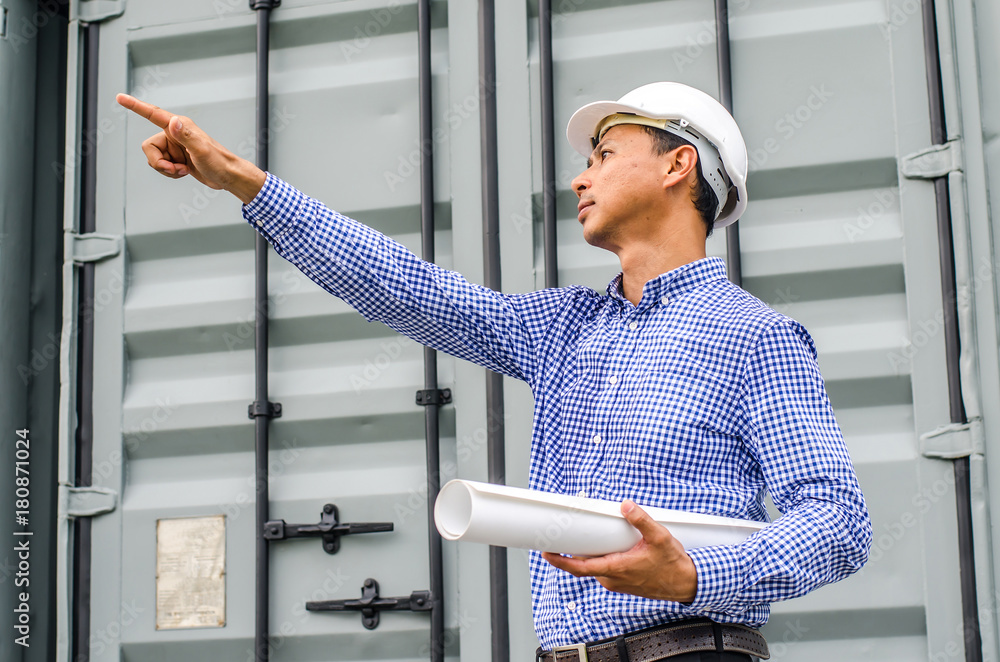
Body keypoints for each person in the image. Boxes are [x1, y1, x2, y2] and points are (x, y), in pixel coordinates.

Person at [117, 82, 871, 661]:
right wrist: (246, 184)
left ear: (679, 165)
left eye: (605, 156)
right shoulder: (562, 326)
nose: (581, 179)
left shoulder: (757, 337)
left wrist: (696, 578)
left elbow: (840, 523)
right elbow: (404, 288)